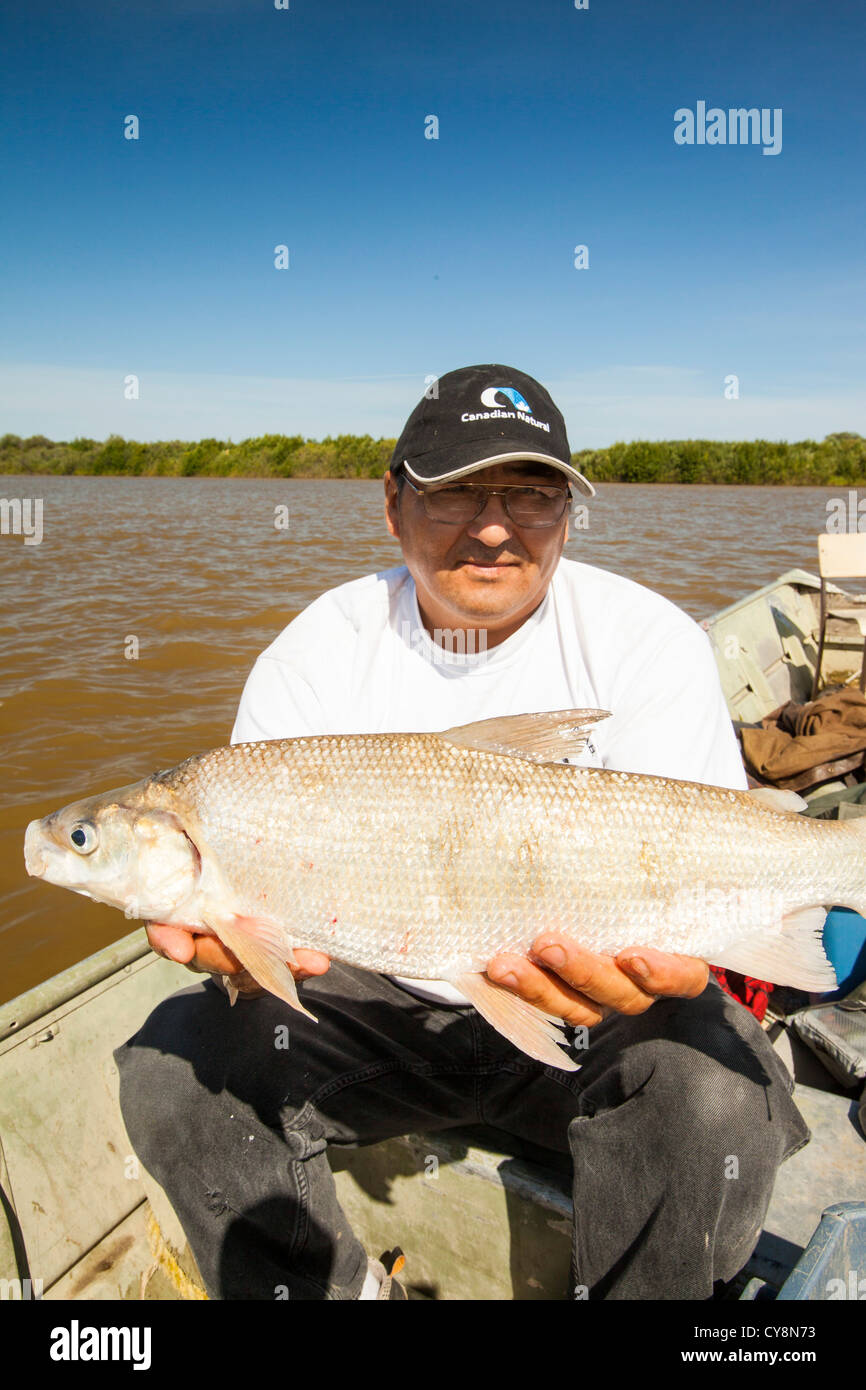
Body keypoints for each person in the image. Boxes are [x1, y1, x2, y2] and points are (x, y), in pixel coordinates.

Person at [115, 363, 808, 1300]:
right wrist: (240, 951)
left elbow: (711, 877)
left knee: (716, 1092)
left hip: (595, 1009)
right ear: (394, 504)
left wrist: (691, 968)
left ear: (568, 512)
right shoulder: (315, 653)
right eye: (454, 493)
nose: (493, 525)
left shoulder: (647, 638)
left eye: (531, 493)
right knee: (173, 1070)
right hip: (380, 1007)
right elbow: (259, 931)